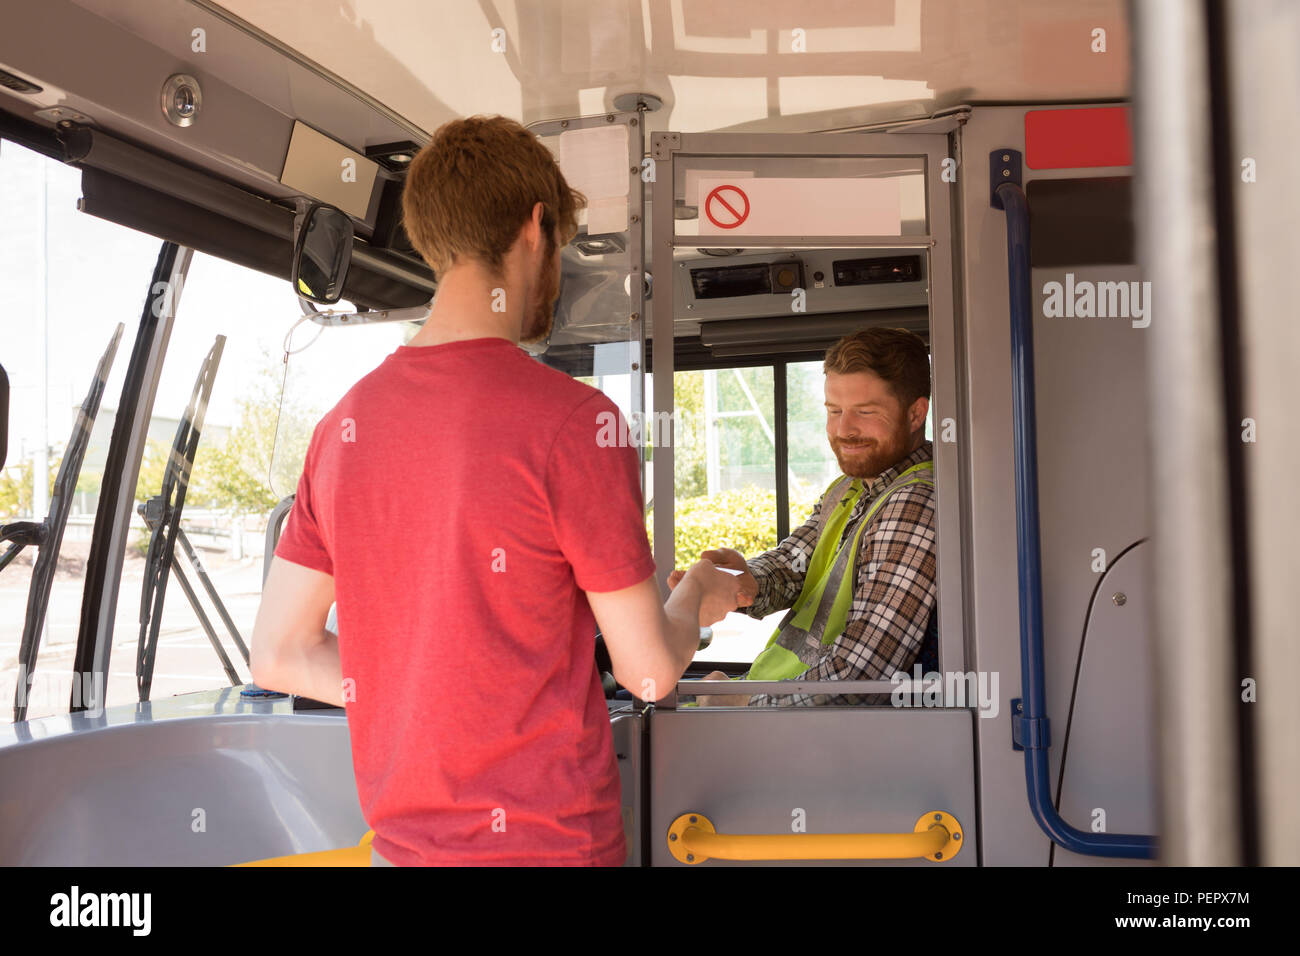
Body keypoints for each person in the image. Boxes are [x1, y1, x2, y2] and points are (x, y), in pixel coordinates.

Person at [249, 114, 746, 866]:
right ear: (536, 227)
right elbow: (646, 671)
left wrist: (415, 687)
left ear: (430, 237)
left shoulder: (340, 430)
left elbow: (279, 655)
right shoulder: (576, 423)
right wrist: (699, 594)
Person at [669, 327, 937, 707]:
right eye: (834, 411)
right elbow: (795, 561)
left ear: (916, 414)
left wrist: (740, 706)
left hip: (807, 738)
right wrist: (745, 581)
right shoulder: (850, 486)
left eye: (865, 412)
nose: (843, 430)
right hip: (780, 706)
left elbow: (860, 677)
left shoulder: (915, 501)